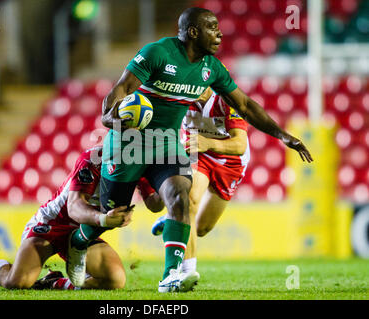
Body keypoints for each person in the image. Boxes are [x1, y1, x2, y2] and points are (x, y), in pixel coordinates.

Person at [66, 7, 313, 293]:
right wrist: (110, 118)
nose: (220, 34)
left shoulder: (211, 68)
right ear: (193, 32)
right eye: (212, 28)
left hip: (167, 144)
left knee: (180, 197)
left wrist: (282, 135)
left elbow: (244, 105)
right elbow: (120, 90)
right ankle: (80, 240)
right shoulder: (158, 53)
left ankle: (171, 274)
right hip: (128, 144)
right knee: (114, 216)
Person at [0, 146, 160, 291]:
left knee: (114, 281)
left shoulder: (139, 166)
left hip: (83, 234)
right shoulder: (94, 159)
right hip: (52, 225)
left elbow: (155, 203)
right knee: (18, 282)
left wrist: (172, 181)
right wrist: (102, 220)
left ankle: (54, 283)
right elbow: (74, 208)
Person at [152, 87, 253, 279]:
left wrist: (209, 142)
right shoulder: (179, 97)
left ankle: (171, 219)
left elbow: (240, 145)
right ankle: (187, 272)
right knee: (189, 201)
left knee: (201, 228)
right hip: (197, 154)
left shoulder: (227, 100)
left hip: (230, 162)